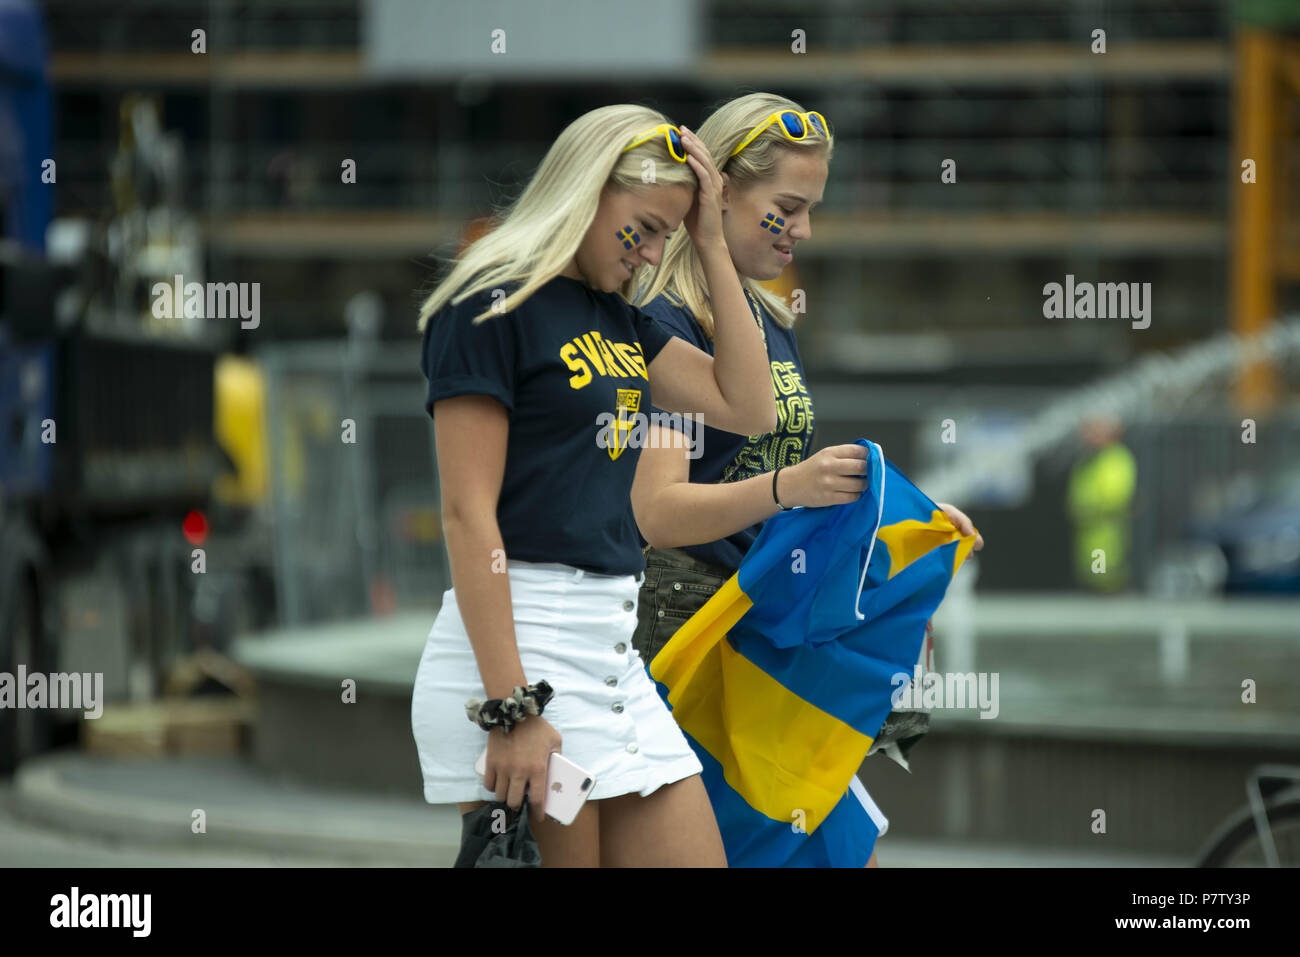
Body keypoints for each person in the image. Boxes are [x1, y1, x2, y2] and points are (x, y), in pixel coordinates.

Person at [410, 104, 777, 868]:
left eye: (663, 237)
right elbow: (466, 514)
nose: (648, 254)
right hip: (525, 651)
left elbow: (748, 405)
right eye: (640, 228)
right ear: (586, 190)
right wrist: (511, 707)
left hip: (611, 655)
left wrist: (708, 243)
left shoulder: (618, 318)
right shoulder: (490, 300)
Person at [627, 93, 984, 867]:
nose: (806, 230)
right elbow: (658, 509)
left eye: (813, 208)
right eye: (787, 207)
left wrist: (897, 532)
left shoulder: (769, 318)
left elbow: (785, 493)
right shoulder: (667, 322)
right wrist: (792, 486)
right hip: (693, 638)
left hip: (762, 627)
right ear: (718, 192)